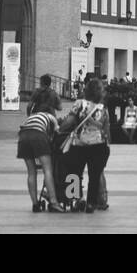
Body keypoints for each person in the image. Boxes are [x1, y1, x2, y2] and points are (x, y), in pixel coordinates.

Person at [59, 77, 111, 213]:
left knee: (74, 172)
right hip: (98, 145)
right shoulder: (103, 108)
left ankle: (75, 200)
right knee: (94, 176)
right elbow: (106, 129)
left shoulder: (79, 104)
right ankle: (91, 204)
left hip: (79, 144)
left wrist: (60, 129)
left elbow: (69, 121)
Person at [18, 103, 63, 212]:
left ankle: (35, 204)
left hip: (23, 136)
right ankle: (53, 202)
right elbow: (58, 132)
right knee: (47, 170)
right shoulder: (50, 116)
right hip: (38, 135)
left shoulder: (31, 117)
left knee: (31, 172)